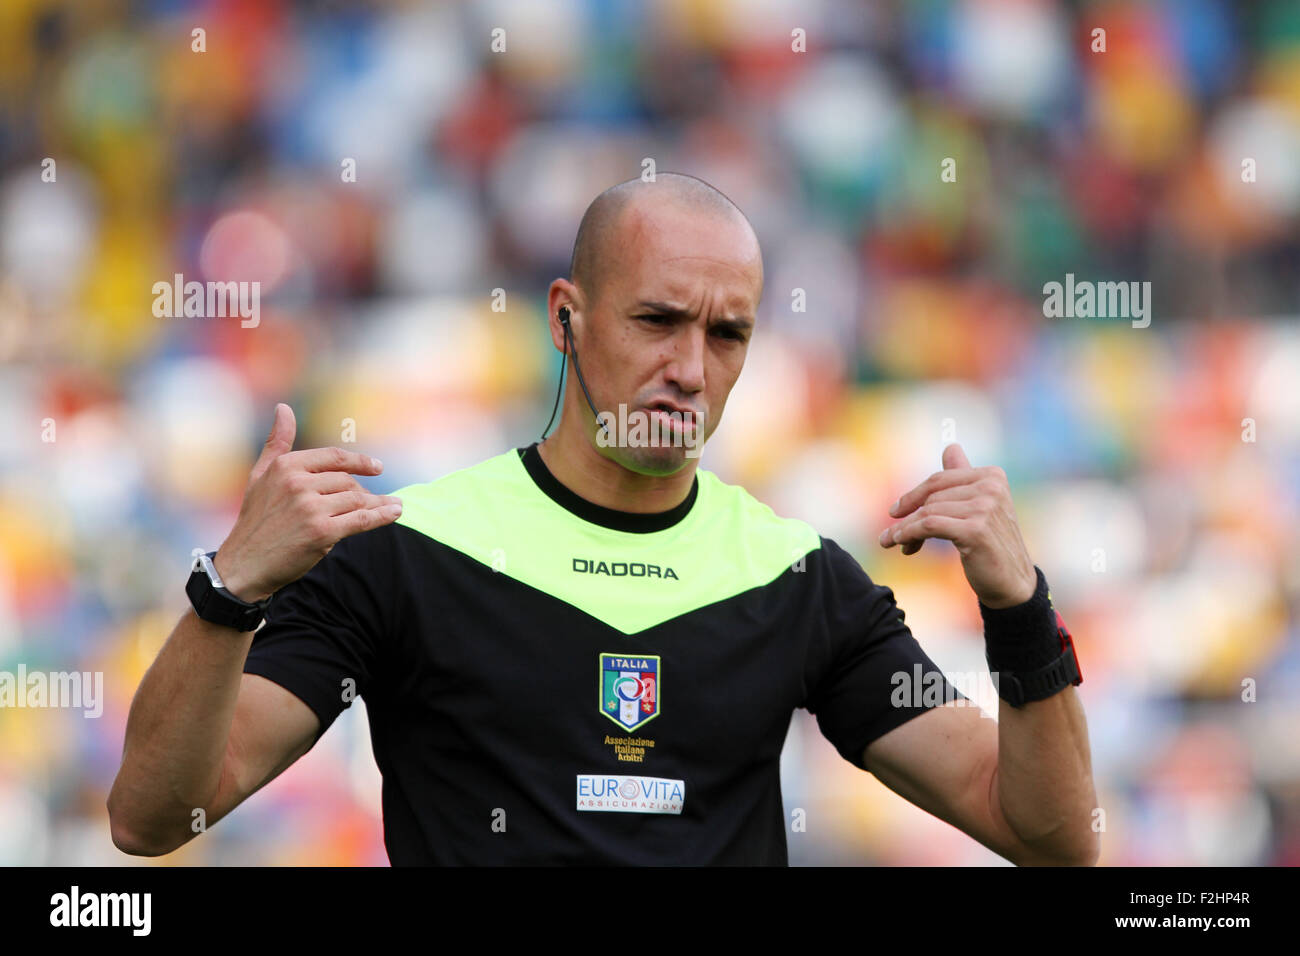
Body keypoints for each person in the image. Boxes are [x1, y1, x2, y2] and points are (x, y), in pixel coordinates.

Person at [107, 172, 1098, 866]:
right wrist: (228, 589)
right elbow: (153, 816)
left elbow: (1049, 835)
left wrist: (1021, 610)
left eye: (727, 333)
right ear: (565, 318)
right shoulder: (406, 551)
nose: (690, 367)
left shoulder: (796, 577)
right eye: (657, 319)